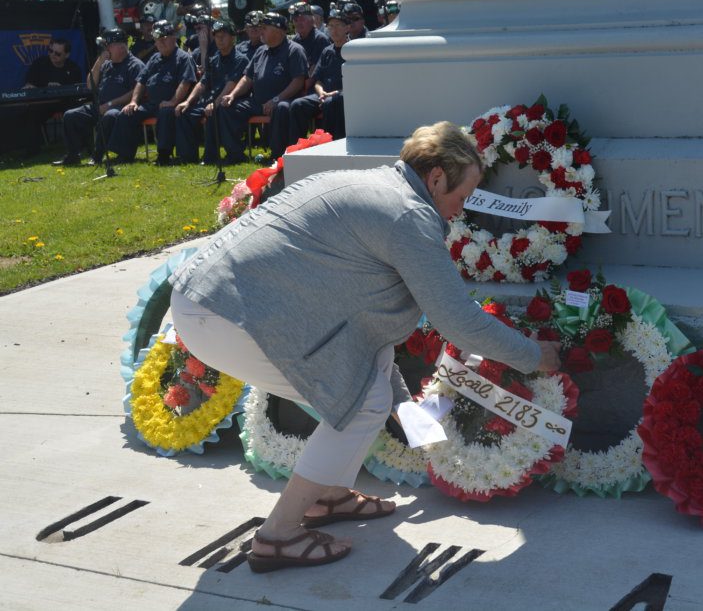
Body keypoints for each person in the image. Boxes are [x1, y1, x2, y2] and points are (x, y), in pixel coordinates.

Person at [168, 121, 561, 573]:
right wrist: (534, 355)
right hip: (226, 313)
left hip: (205, 301)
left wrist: (399, 400)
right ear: (435, 177)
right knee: (361, 404)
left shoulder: (375, 186)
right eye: (463, 194)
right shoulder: (409, 216)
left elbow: (361, 333)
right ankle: (278, 536)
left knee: (366, 394)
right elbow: (458, 321)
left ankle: (327, 495)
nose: (461, 208)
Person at [217, 11, 308, 164]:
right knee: (227, 107)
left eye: (264, 28)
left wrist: (276, 99)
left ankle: (277, 154)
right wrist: (232, 95)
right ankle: (235, 154)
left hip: (283, 100)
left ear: (278, 30)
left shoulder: (294, 50)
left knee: (283, 108)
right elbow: (247, 77)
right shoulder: (261, 51)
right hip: (257, 101)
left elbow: (298, 81)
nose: (260, 31)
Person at [108, 20, 196, 165]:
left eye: (164, 39)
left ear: (173, 37)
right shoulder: (154, 59)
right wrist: (134, 101)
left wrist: (173, 101)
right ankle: (124, 155)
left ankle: (164, 155)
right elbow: (141, 81)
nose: (160, 43)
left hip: (174, 104)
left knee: (166, 112)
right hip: (151, 104)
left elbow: (185, 83)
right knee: (127, 112)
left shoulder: (183, 58)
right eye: (157, 40)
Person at [54, 28, 143, 166]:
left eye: (107, 46)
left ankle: (97, 156)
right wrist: (99, 61)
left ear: (120, 46)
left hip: (119, 108)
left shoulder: (135, 65)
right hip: (99, 105)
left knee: (109, 115)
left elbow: (136, 92)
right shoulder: (106, 64)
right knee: (70, 115)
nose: (105, 49)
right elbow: (90, 85)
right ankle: (73, 155)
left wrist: (110, 104)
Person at [175, 19, 247, 164]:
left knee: (214, 112)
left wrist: (215, 102)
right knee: (184, 112)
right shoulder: (214, 60)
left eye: (223, 36)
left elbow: (231, 84)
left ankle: (212, 156)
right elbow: (202, 83)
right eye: (216, 36)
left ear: (233, 37)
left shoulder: (240, 59)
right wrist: (188, 101)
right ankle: (187, 157)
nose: (219, 39)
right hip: (210, 101)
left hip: (229, 101)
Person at [288, 5, 350, 144]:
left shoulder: (353, 50)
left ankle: (332, 144)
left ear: (347, 28)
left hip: (344, 95)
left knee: (331, 103)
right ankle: (297, 148)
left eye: (338, 25)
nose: (334, 29)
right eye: (331, 25)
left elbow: (356, 82)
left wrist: (334, 93)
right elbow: (317, 80)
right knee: (298, 104)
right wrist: (321, 93)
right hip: (322, 95)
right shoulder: (327, 51)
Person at [17, 38, 83, 156]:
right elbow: (29, 84)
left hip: (65, 103)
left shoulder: (73, 68)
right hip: (44, 103)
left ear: (66, 55)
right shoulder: (40, 63)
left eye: (57, 53)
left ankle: (79, 147)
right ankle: (32, 152)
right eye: (50, 51)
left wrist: (60, 89)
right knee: (30, 113)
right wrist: (30, 88)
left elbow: (77, 93)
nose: (53, 55)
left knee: (76, 111)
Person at [289, 1, 330, 75]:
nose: (298, 23)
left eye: (302, 20)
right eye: (295, 20)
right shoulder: (295, 40)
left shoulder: (320, 40)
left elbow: (313, 74)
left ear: (312, 20)